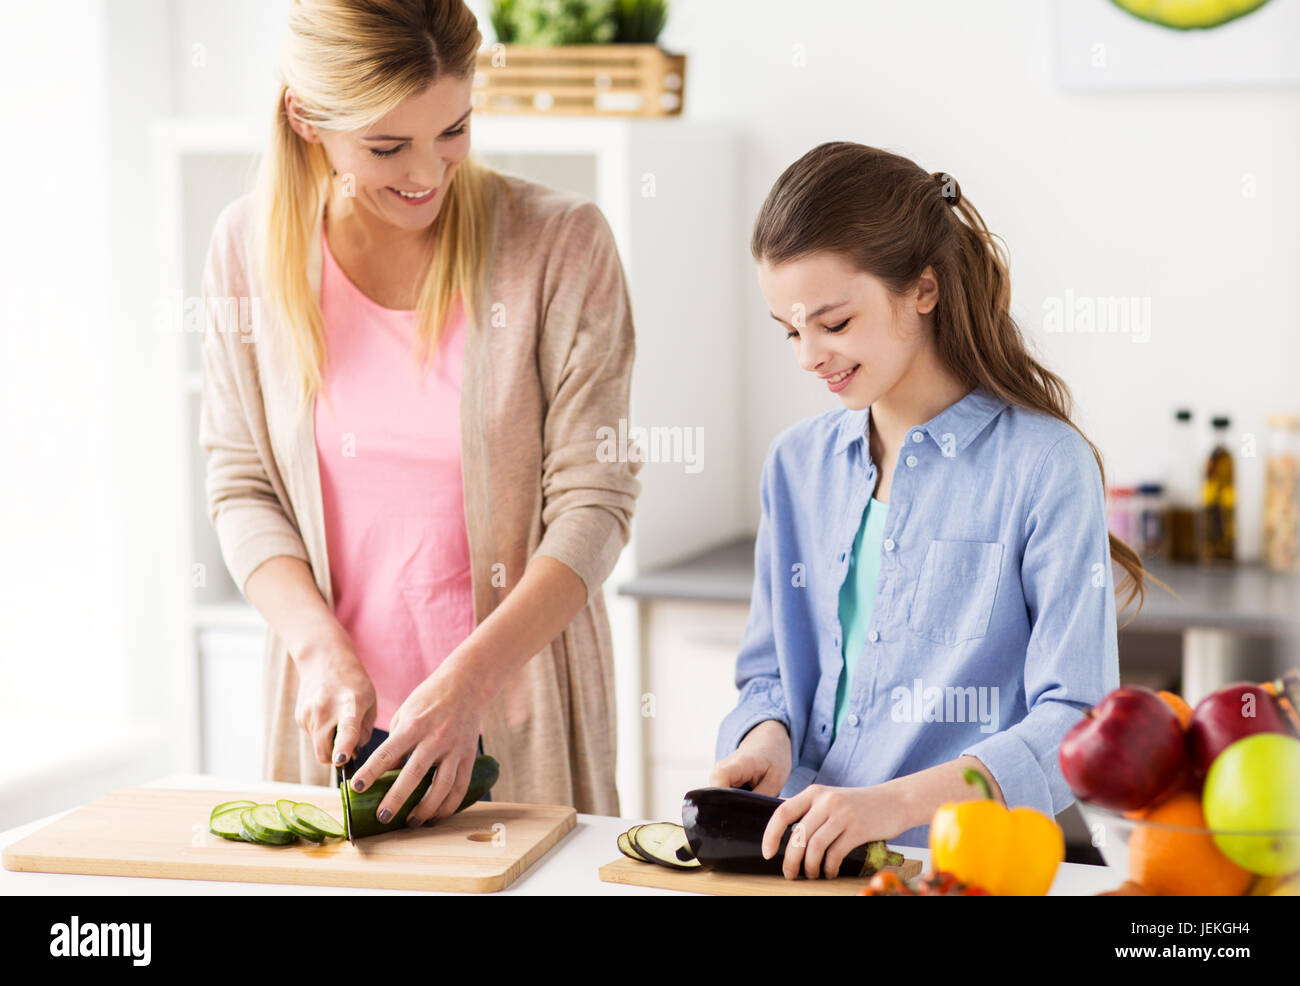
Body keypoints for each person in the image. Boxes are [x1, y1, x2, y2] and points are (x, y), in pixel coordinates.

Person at [199, 0, 641, 824]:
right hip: (335, 730)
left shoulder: (561, 245)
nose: (429, 173)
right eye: (387, 146)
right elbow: (241, 486)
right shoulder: (247, 250)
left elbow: (595, 504)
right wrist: (318, 650)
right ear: (306, 120)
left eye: (455, 130)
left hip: (515, 713)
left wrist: (471, 683)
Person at [708, 142, 1169, 879]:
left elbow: (1075, 724)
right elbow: (768, 675)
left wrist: (888, 806)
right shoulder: (795, 466)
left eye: (833, 323)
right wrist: (766, 739)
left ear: (922, 290)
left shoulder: (1045, 467)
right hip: (797, 864)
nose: (807, 357)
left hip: (960, 873)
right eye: (791, 330)